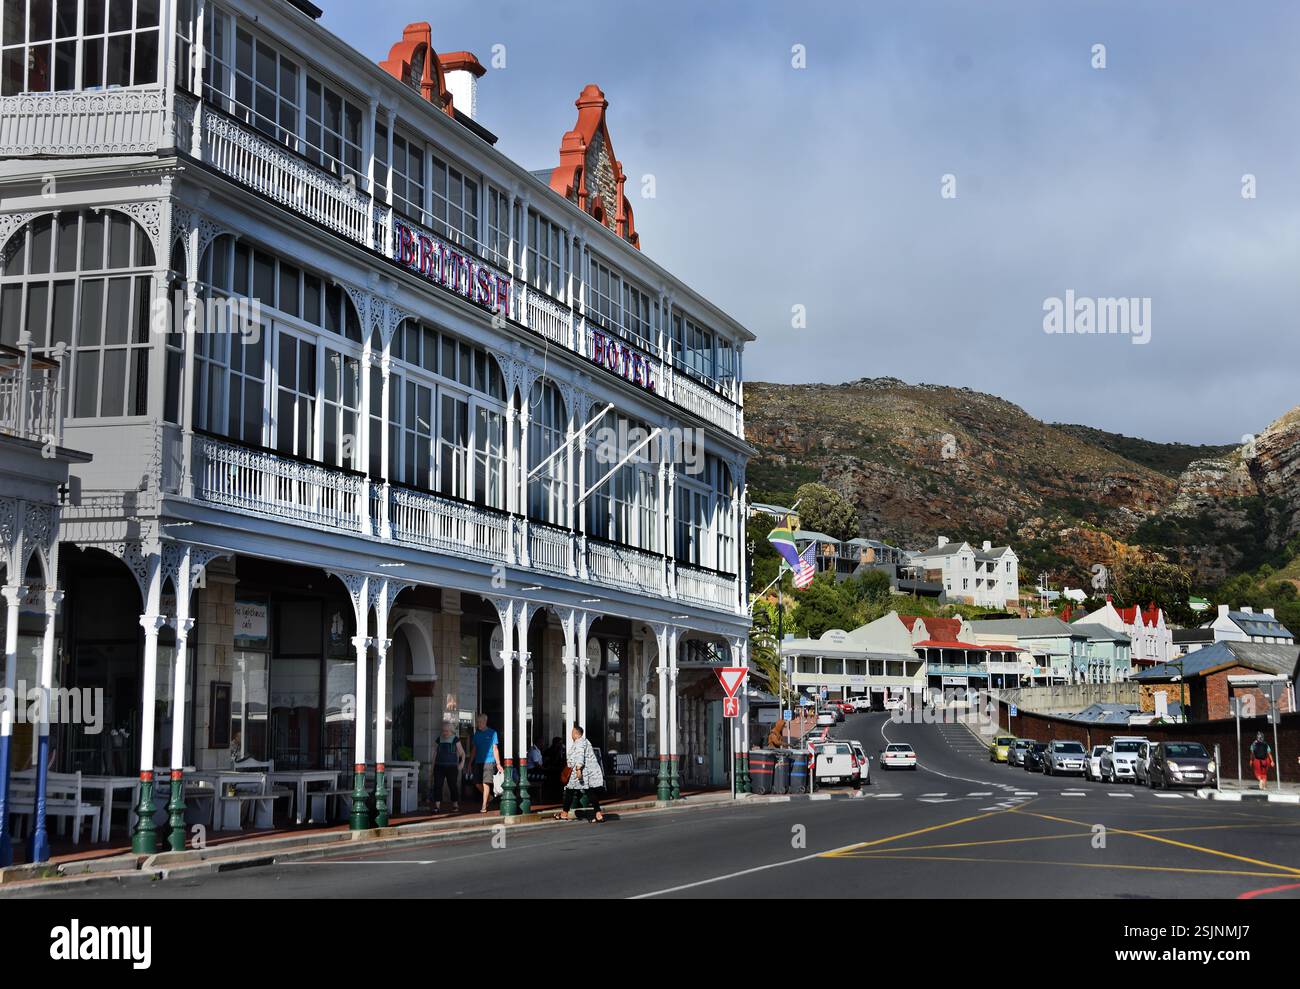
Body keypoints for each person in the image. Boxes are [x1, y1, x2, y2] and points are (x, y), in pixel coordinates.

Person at [556, 724, 605, 823]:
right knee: (589, 792)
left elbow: (580, 756)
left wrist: (578, 769)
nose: (571, 735)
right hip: (586, 773)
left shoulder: (579, 742)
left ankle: (564, 813)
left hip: (580, 773)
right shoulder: (585, 742)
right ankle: (598, 814)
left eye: (572, 732)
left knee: (571, 791)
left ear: (575, 733)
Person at [466, 713, 502, 814]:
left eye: (479, 722)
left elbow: (495, 749)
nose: (478, 724)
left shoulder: (493, 733)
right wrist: (470, 763)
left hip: (489, 761)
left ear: (485, 722)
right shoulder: (477, 734)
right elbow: (474, 749)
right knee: (477, 783)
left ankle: (483, 805)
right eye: (477, 722)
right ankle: (489, 797)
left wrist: (498, 763)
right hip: (478, 761)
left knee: (486, 782)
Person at [431, 721, 465, 813]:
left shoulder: (455, 739)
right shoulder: (439, 739)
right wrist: (432, 766)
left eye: (446, 731)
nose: (444, 733)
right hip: (439, 766)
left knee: (452, 786)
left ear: (451, 731)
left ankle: (455, 805)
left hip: (452, 767)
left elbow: (462, 753)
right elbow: (435, 753)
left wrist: (462, 763)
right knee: (437, 786)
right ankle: (437, 806)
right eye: (443, 731)